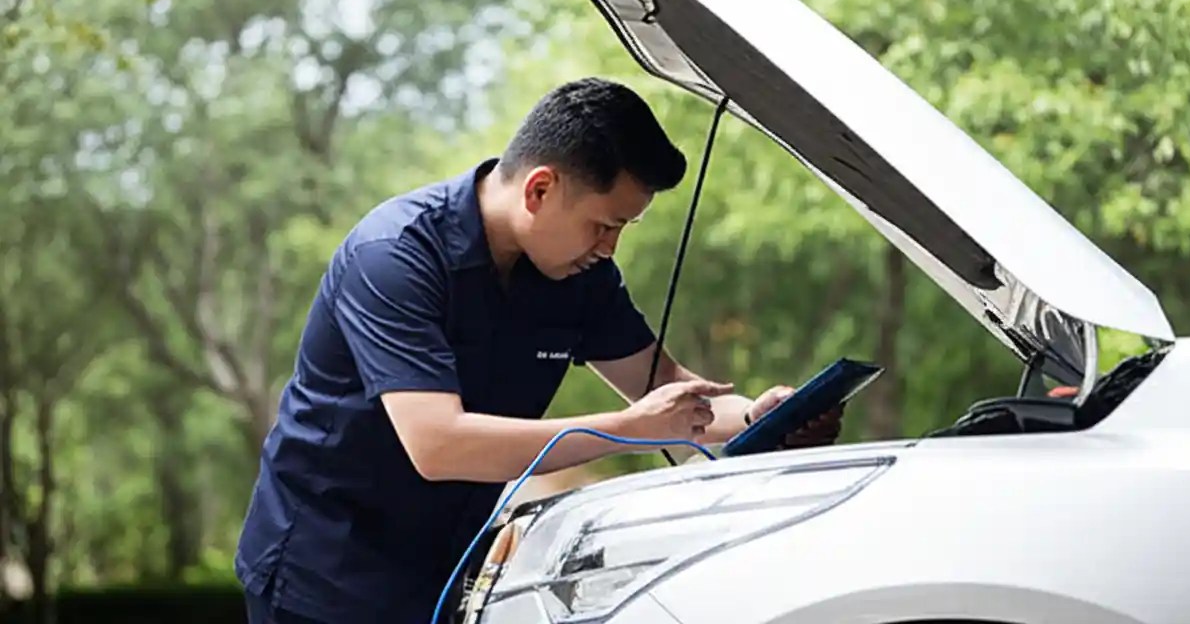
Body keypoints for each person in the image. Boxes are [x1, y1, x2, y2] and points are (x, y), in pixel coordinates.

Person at [234, 77, 844, 624]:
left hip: (443, 572)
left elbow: (666, 393)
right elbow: (438, 445)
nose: (610, 247)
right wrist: (627, 430)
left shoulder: (581, 275)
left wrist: (760, 417)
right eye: (604, 225)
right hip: (323, 572)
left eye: (622, 229)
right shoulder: (393, 256)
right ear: (540, 189)